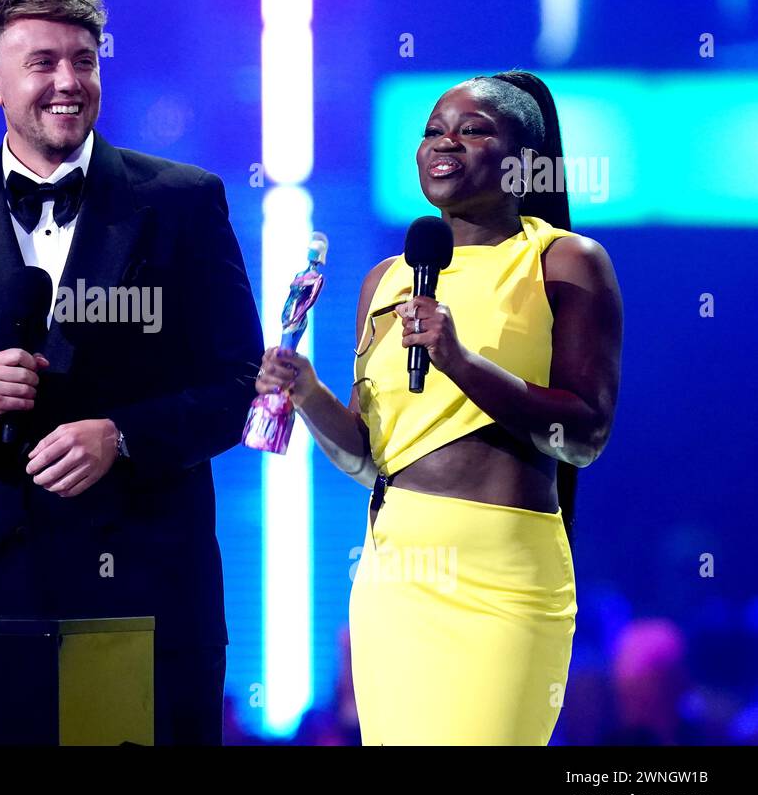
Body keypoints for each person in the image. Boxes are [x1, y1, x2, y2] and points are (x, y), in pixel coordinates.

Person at [0, 0, 262, 745]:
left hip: (154, 592)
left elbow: (239, 385)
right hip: (7, 593)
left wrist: (120, 437)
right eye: (43, 62)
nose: (68, 82)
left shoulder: (182, 201)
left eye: (84, 60)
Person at [257, 70, 623, 744]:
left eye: (472, 129)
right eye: (431, 131)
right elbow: (370, 457)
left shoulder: (563, 261)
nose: (443, 142)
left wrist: (460, 361)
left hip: (502, 577)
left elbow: (584, 434)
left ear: (526, 161)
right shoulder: (385, 280)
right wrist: (306, 393)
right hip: (395, 577)